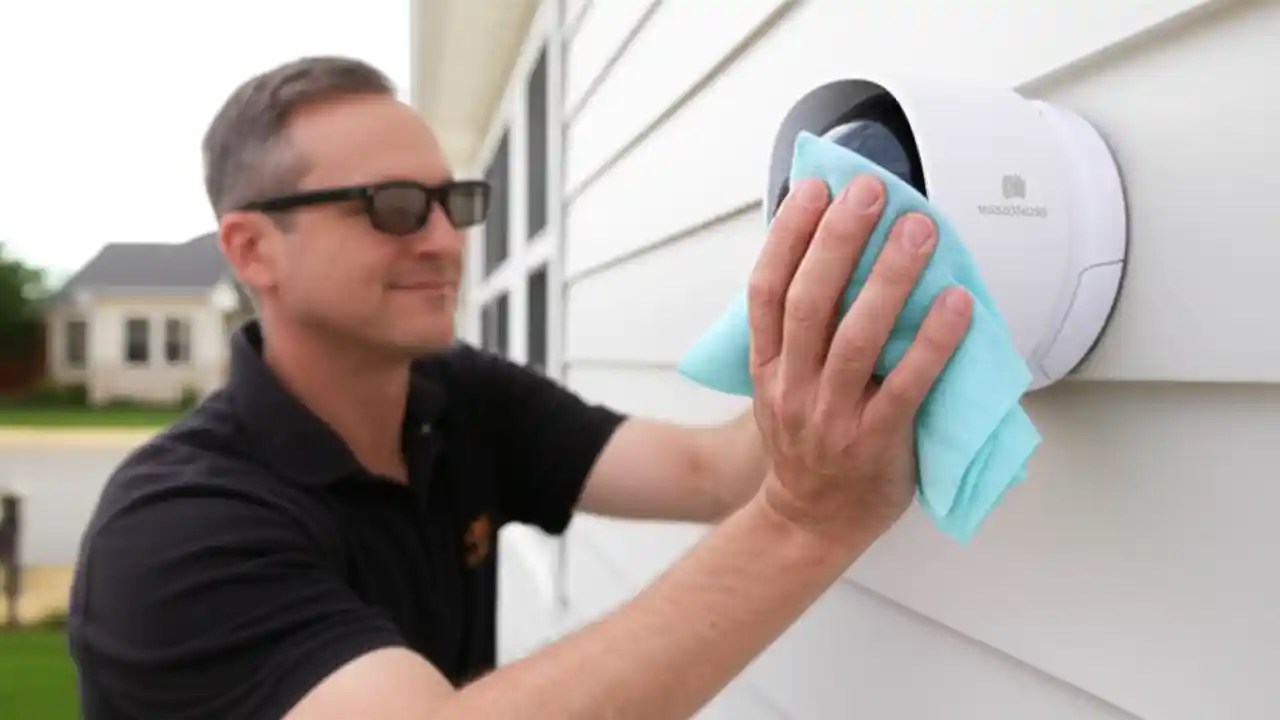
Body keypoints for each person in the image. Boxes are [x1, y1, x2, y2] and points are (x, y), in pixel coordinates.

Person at [66, 56, 972, 720]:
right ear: (251, 250)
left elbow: (708, 472)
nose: (444, 242)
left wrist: (851, 317)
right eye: (391, 206)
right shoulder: (173, 531)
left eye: (451, 202)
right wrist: (811, 519)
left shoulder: (454, 398)